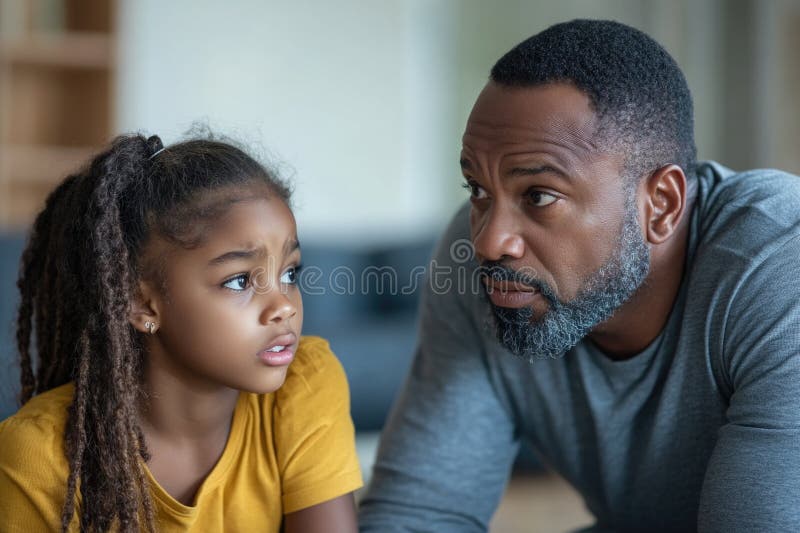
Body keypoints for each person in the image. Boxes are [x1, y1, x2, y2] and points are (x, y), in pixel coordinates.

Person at [359, 19, 800, 532]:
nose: (488, 241)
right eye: (477, 189)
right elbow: (419, 515)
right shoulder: (479, 266)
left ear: (661, 205)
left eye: (539, 196)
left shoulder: (776, 263)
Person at [0, 134, 362, 532]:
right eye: (240, 281)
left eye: (290, 273)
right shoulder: (37, 457)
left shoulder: (305, 383)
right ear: (139, 304)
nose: (285, 306)